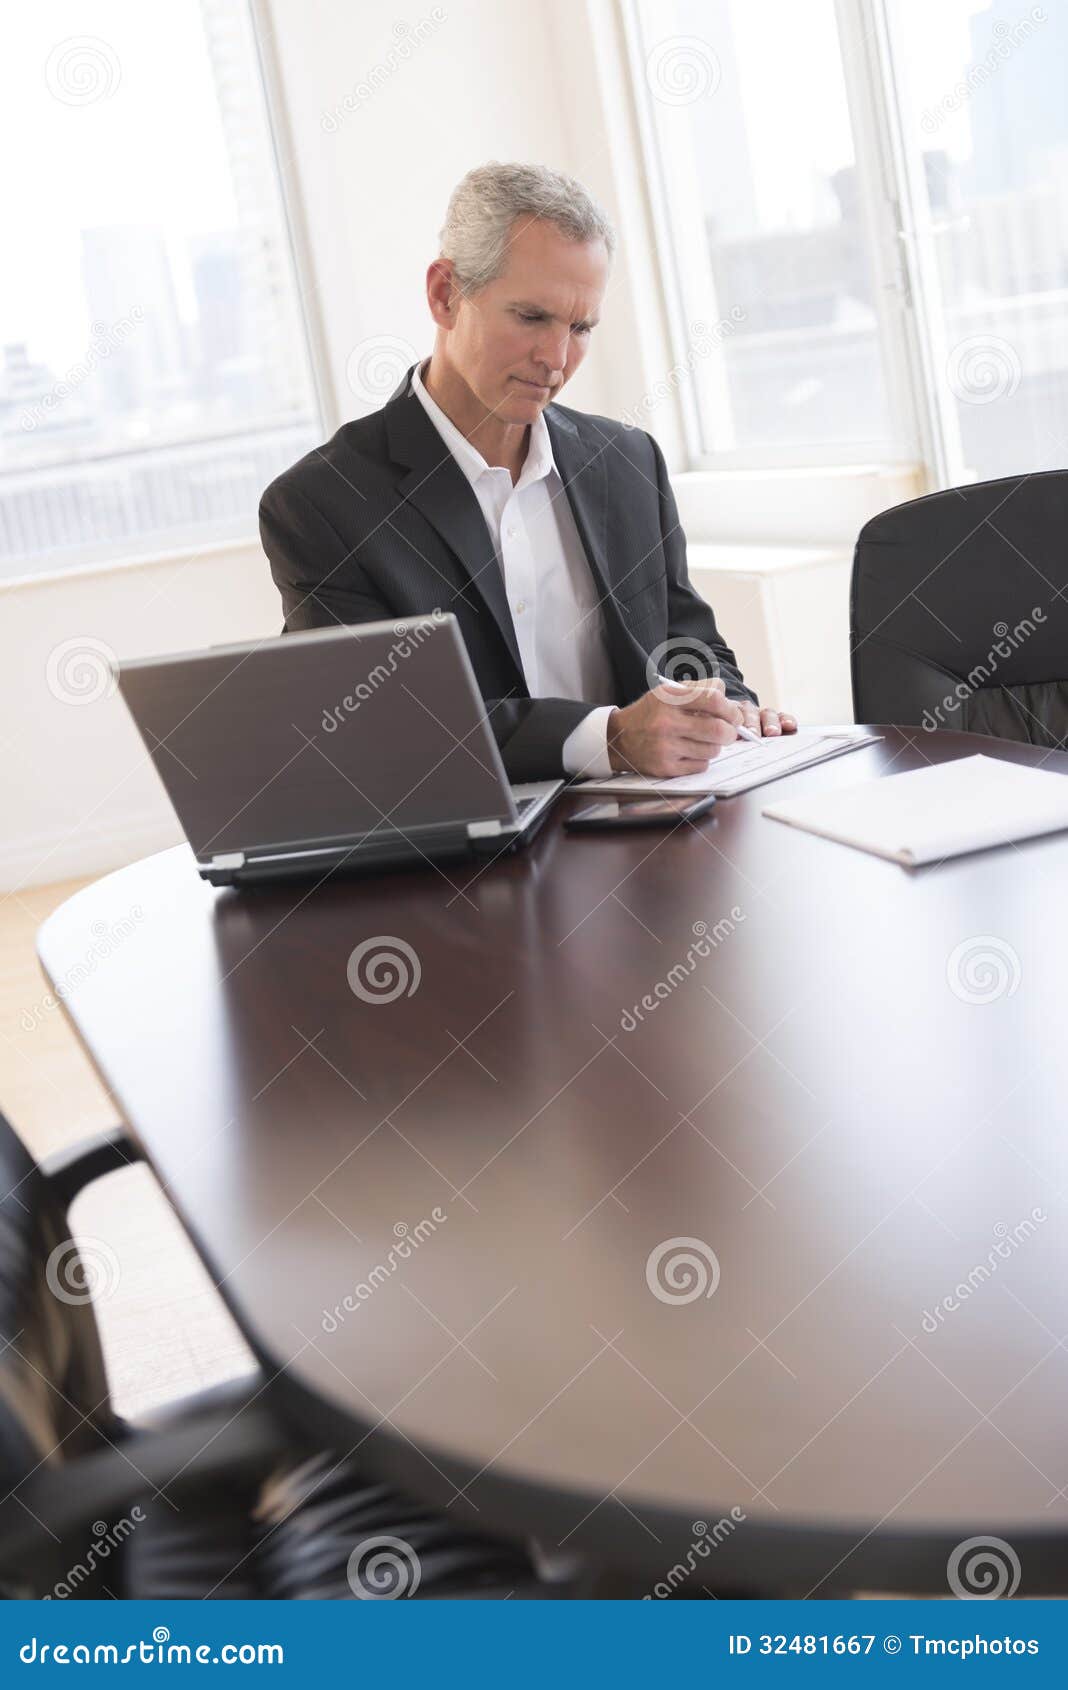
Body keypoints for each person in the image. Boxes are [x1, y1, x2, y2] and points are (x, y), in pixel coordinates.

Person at [260, 161, 796, 782]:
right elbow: (382, 729)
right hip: (470, 861)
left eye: (581, 327)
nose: (557, 358)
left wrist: (725, 706)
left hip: (654, 828)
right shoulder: (322, 503)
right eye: (532, 317)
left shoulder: (626, 460)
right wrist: (610, 739)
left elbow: (682, 638)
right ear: (445, 295)